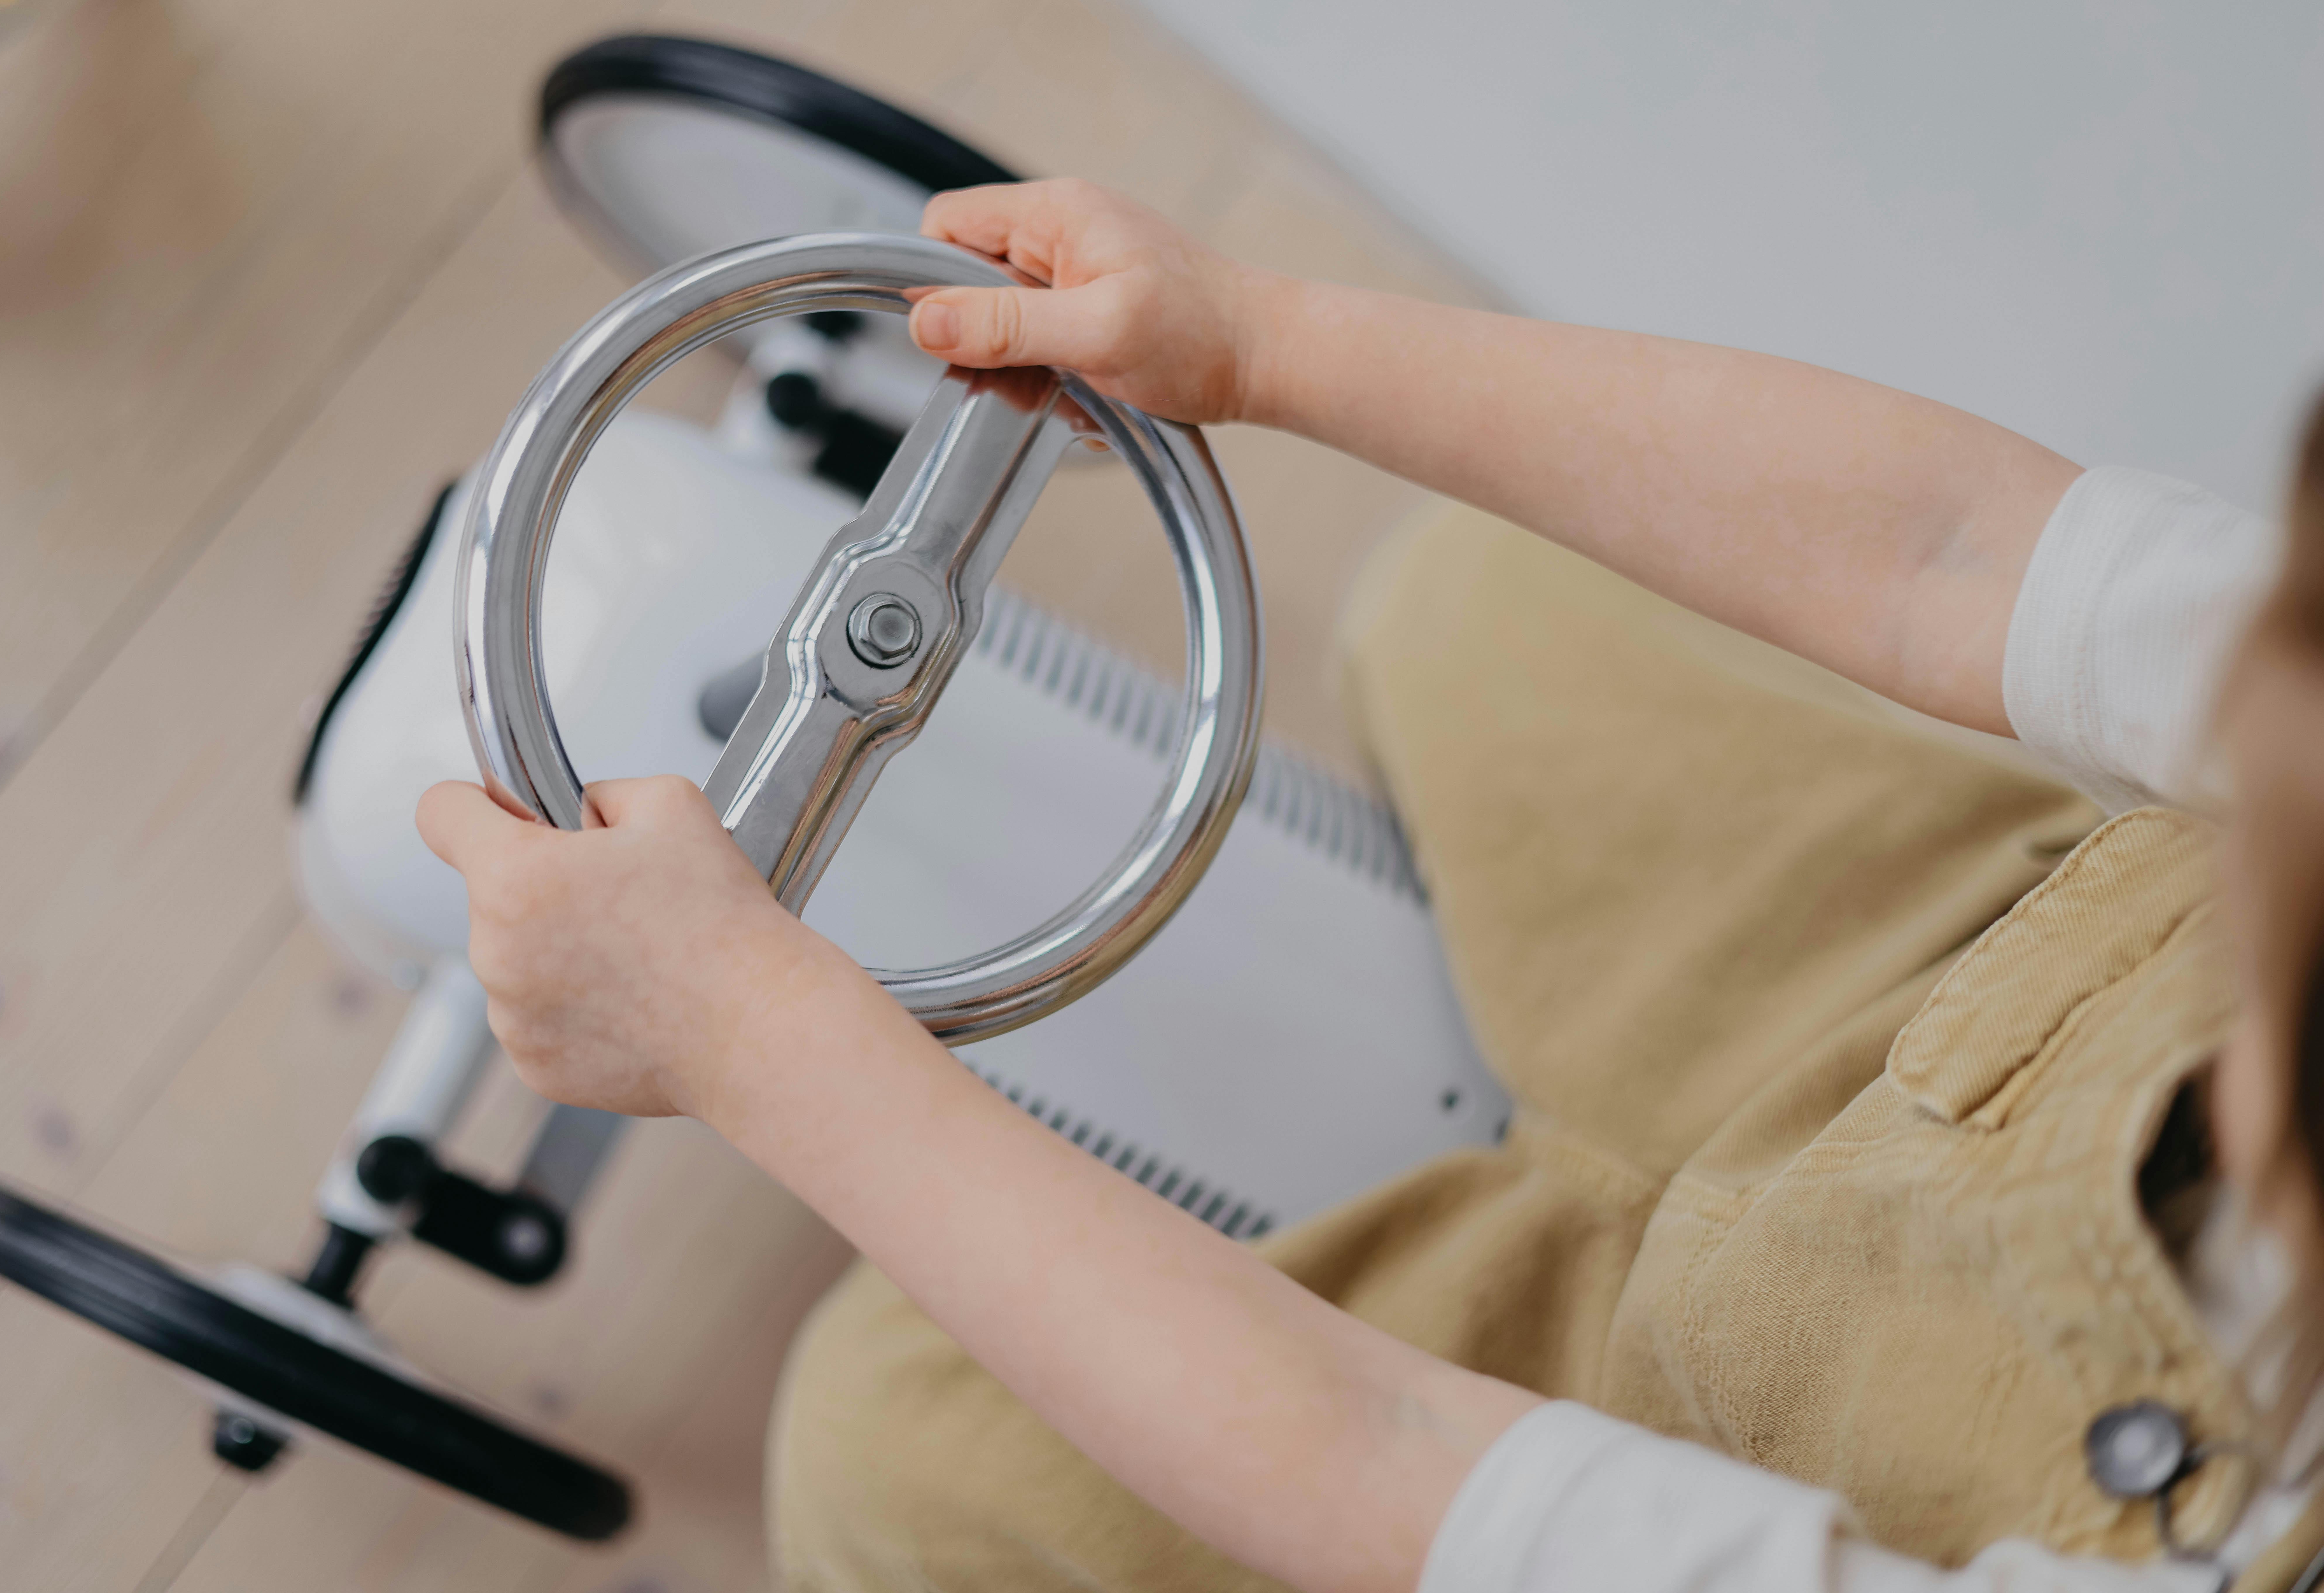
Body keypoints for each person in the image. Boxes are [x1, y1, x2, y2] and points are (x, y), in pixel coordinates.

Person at [415, 180, 2324, 1592]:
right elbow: (1955, 551)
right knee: (1473, 603)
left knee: (891, 1448)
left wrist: (745, 1030)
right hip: (1966, 991)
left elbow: (1401, 1458)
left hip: (1768, 1474)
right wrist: (1265, 344)